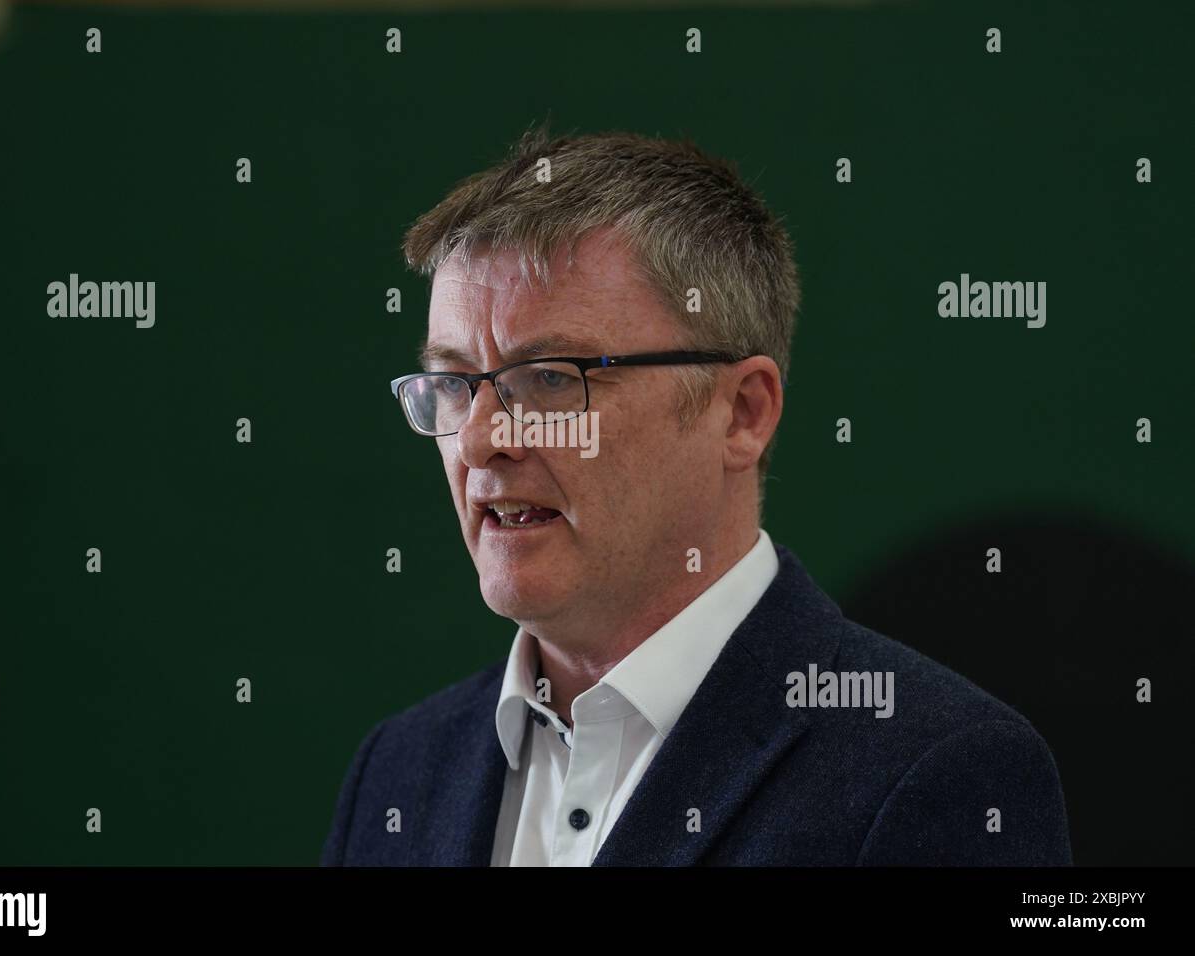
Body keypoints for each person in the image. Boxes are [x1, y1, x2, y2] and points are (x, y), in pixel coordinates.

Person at [321, 124, 1072, 866]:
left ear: (742, 412)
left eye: (551, 378)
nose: (483, 440)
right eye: (454, 384)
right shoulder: (400, 770)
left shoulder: (936, 772)